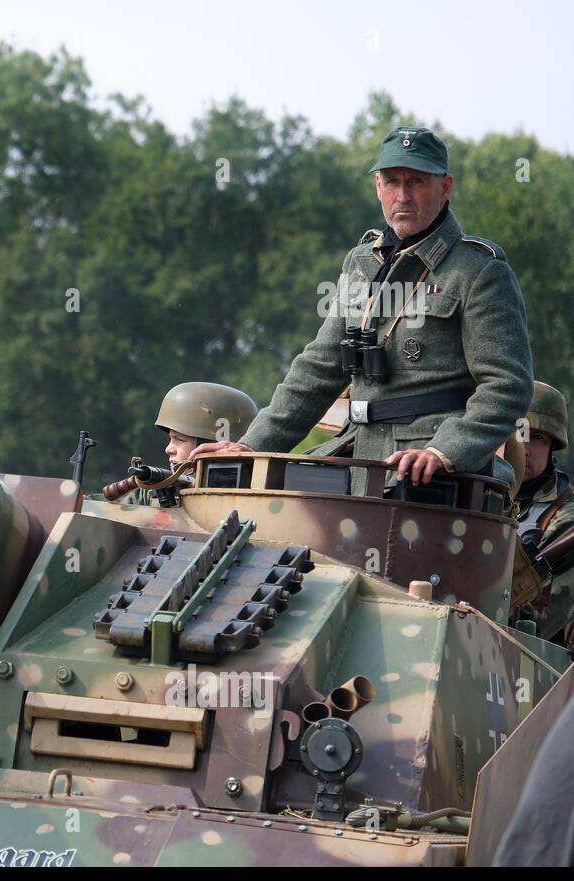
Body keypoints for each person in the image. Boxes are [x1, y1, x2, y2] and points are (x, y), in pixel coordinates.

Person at [192, 128, 533, 495]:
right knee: (261, 504)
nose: (402, 196)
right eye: (392, 182)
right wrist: (252, 445)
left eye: (416, 182)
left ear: (444, 187)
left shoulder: (478, 269)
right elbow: (319, 368)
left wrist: (444, 451)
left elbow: (506, 386)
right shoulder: (363, 262)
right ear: (377, 186)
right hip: (358, 454)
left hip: (430, 471)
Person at [113, 382, 257, 505]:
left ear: (215, 446)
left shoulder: (253, 499)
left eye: (180, 440)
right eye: (171, 439)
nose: (168, 449)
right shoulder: (154, 495)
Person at [511, 382, 574, 646]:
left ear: (552, 446)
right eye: (517, 434)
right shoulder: (476, 495)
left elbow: (539, 619)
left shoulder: (564, 518)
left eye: (537, 438)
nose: (524, 448)